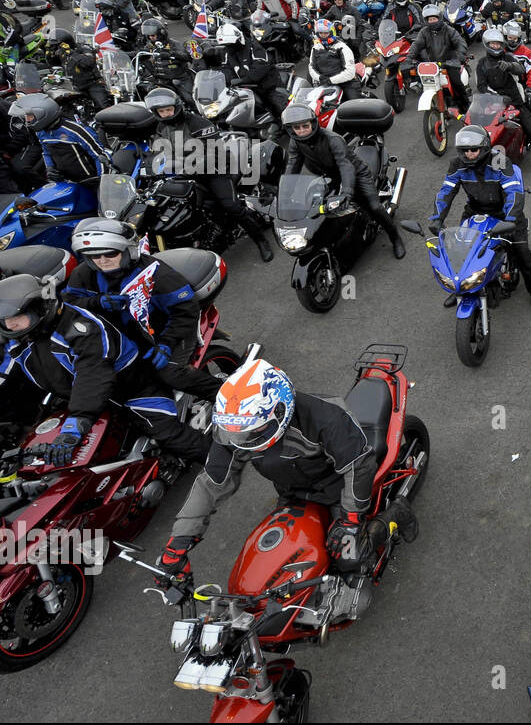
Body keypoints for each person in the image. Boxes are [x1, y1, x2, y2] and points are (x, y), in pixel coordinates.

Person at [152, 357, 417, 589]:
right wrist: (179, 541)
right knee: (280, 561)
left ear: (279, 411)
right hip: (292, 492)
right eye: (236, 432)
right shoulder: (239, 429)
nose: (240, 440)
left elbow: (359, 466)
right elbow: (211, 483)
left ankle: (396, 515)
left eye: (248, 432)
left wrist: (349, 522)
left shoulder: (326, 418)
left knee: (350, 558)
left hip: (338, 490)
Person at [0, 274, 210, 469]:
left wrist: (76, 425)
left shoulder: (81, 328)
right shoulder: (19, 336)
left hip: (130, 389)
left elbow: (92, 375)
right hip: (76, 395)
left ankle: (225, 459)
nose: (9, 324)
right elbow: (5, 373)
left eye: (16, 317)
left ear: (40, 308)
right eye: (4, 320)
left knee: (170, 436)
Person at [64, 218, 225, 401]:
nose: (102, 261)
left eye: (110, 254)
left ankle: (230, 398)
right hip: (121, 338)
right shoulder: (83, 273)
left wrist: (166, 344)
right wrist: (96, 302)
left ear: (128, 250)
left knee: (169, 374)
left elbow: (186, 310)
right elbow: (69, 302)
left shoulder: (158, 275)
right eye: (94, 256)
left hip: (167, 331)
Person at [143, 87, 275, 262]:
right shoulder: (162, 127)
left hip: (216, 170)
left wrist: (191, 166)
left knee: (232, 206)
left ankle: (261, 241)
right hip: (186, 173)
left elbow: (216, 151)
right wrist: (151, 168)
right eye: (162, 111)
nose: (166, 114)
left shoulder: (196, 123)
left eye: (169, 110)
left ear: (177, 107)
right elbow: (160, 151)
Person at [430, 125, 531, 313]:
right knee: (459, 250)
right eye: (464, 150)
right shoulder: (456, 164)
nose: (469, 154)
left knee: (521, 250)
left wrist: (511, 219)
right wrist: (437, 218)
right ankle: (461, 287)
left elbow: (514, 191)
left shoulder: (500, 161)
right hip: (475, 211)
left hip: (504, 213)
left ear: (484, 148)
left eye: (473, 149)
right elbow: (446, 191)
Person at [281, 104, 405, 260]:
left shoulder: (333, 139)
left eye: (305, 126)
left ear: (313, 123)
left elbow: (345, 166)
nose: (302, 130)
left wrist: (346, 192)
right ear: (290, 129)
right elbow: (292, 166)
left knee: (374, 207)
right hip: (330, 174)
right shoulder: (295, 142)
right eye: (297, 128)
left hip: (357, 173)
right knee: (319, 206)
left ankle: (395, 238)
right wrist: (284, 194)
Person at [477, 28, 531, 170]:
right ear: (487, 44)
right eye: (492, 44)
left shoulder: (508, 57)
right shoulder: (482, 64)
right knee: (485, 130)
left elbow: (521, 69)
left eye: (498, 44)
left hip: (515, 100)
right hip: (495, 102)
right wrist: (492, 95)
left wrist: (509, 66)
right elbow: (481, 86)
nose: (496, 46)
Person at [8, 92, 110, 183]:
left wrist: (103, 182)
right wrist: (50, 168)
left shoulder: (75, 130)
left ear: (42, 113)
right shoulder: (41, 132)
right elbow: (46, 153)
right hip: (67, 181)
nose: (27, 120)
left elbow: (100, 156)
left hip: (90, 180)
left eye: (30, 116)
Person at [408, 3, 470, 113]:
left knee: (456, 83)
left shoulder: (449, 30)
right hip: (433, 64)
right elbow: (417, 45)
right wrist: (409, 58)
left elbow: (460, 43)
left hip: (449, 62)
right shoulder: (424, 32)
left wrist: (459, 56)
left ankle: (465, 108)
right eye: (429, 19)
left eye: (434, 18)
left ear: (439, 17)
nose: (432, 21)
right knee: (425, 83)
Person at [308, 17, 361, 100]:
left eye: (326, 32)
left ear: (331, 32)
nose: (323, 35)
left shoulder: (342, 47)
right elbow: (311, 67)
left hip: (345, 83)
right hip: (324, 83)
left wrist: (330, 80)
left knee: (354, 107)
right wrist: (320, 78)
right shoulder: (315, 48)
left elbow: (350, 72)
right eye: (321, 33)